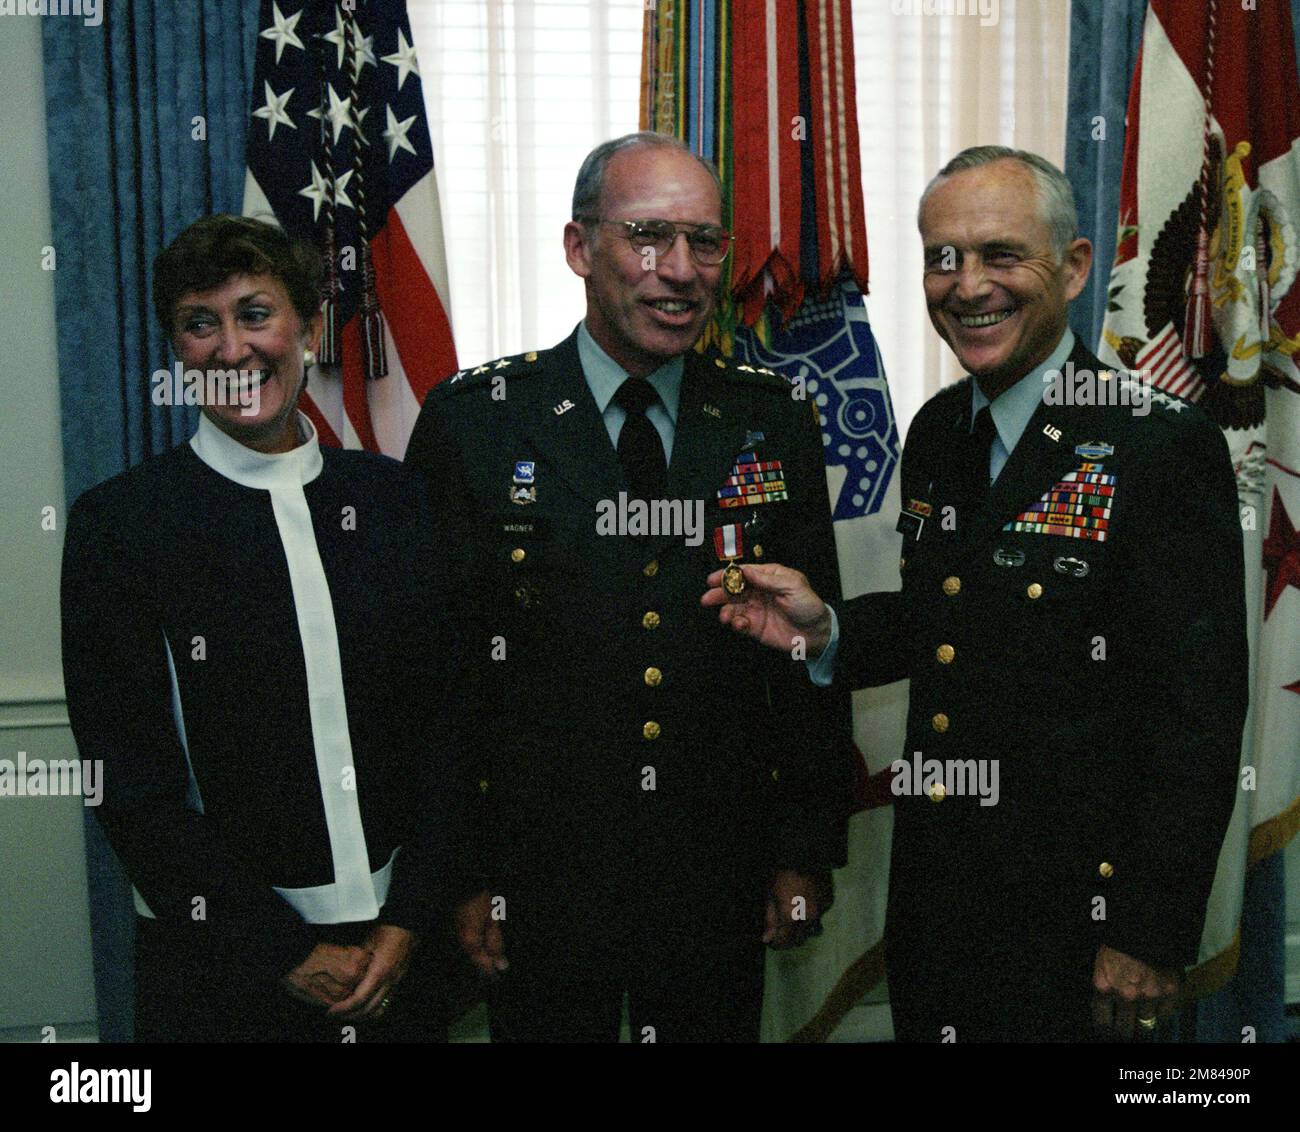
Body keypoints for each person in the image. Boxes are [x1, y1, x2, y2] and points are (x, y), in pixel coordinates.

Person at [702, 146, 1249, 1042]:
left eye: (1002, 255)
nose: (967, 286)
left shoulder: (1158, 445)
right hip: (941, 914)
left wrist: (1147, 931)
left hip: (1082, 926)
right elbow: (946, 624)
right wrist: (828, 628)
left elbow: (1197, 712)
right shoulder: (939, 433)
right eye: (942, 257)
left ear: (1073, 269)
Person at [404, 132, 855, 1042]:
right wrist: (463, 872)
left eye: (706, 243)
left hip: (717, 868)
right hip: (539, 871)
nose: (681, 271)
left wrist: (806, 850)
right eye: (648, 237)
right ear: (580, 248)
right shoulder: (477, 422)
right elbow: (441, 680)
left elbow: (807, 653)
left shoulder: (771, 418)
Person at [60, 215, 464, 1042]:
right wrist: (278, 950)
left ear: (309, 328)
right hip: (223, 966)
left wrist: (410, 916)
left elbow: (451, 726)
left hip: (404, 952)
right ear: (177, 349)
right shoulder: (123, 525)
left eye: (255, 312)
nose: (232, 349)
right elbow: (126, 777)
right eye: (200, 324)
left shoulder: (397, 503)